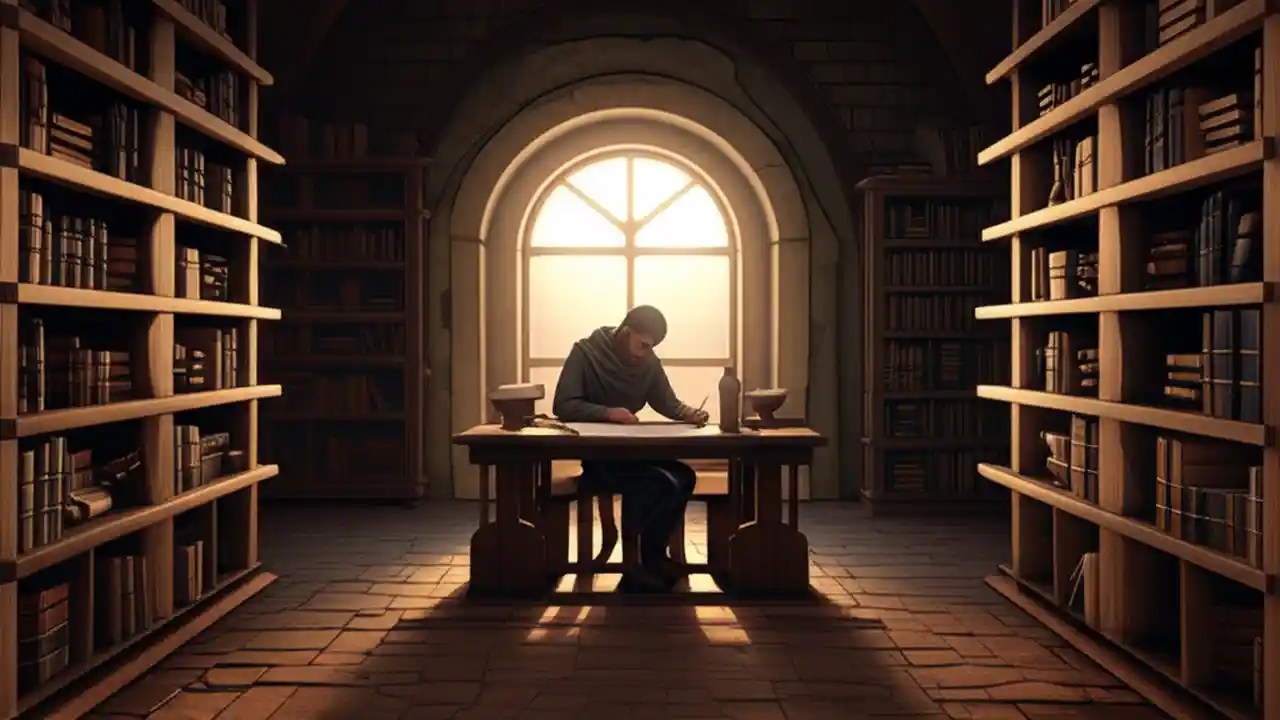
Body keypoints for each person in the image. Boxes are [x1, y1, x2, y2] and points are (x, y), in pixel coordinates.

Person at [552, 305, 710, 592]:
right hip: (599, 457)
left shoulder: (647, 361)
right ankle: (635, 564)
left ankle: (654, 556)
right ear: (625, 332)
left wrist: (689, 413)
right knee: (657, 482)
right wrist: (608, 413)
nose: (645, 352)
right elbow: (563, 404)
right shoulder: (586, 353)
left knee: (683, 476)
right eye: (642, 344)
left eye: (651, 347)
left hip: (632, 450)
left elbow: (667, 402)